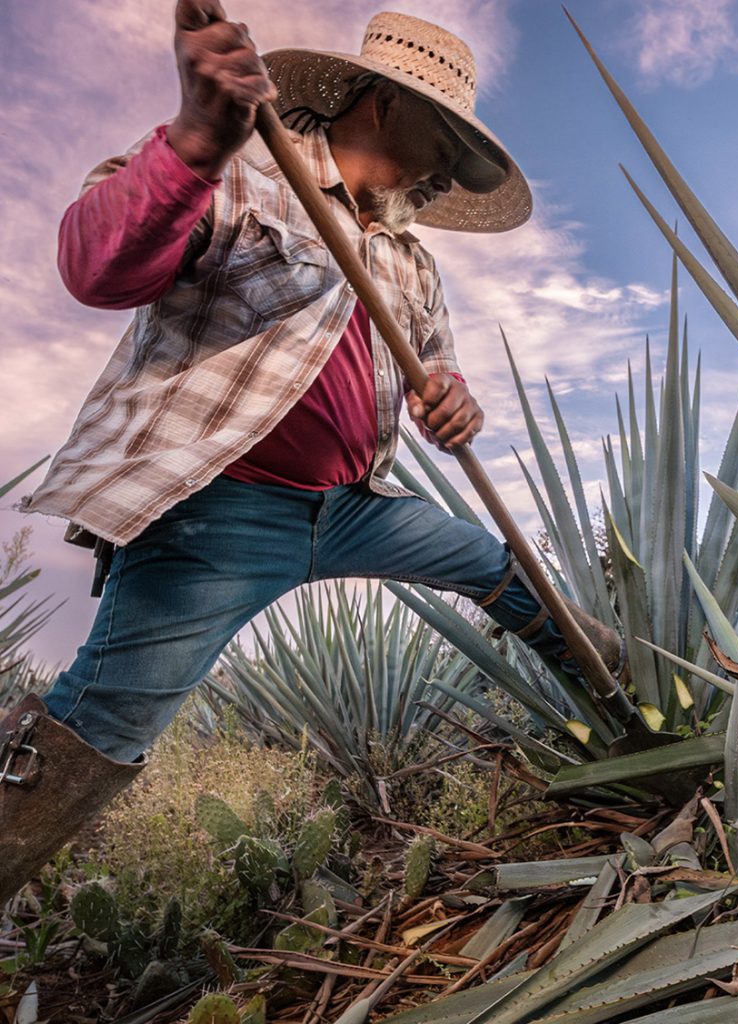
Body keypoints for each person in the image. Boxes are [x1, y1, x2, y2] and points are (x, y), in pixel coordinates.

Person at [1, 1, 621, 903]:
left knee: (495, 563)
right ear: (378, 105)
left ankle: (614, 693)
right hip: (219, 509)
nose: (451, 170)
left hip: (353, 506)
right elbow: (97, 268)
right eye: (446, 138)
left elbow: (438, 375)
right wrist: (196, 145)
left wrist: (453, 403)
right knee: (110, 717)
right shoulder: (241, 166)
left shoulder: (411, 261)